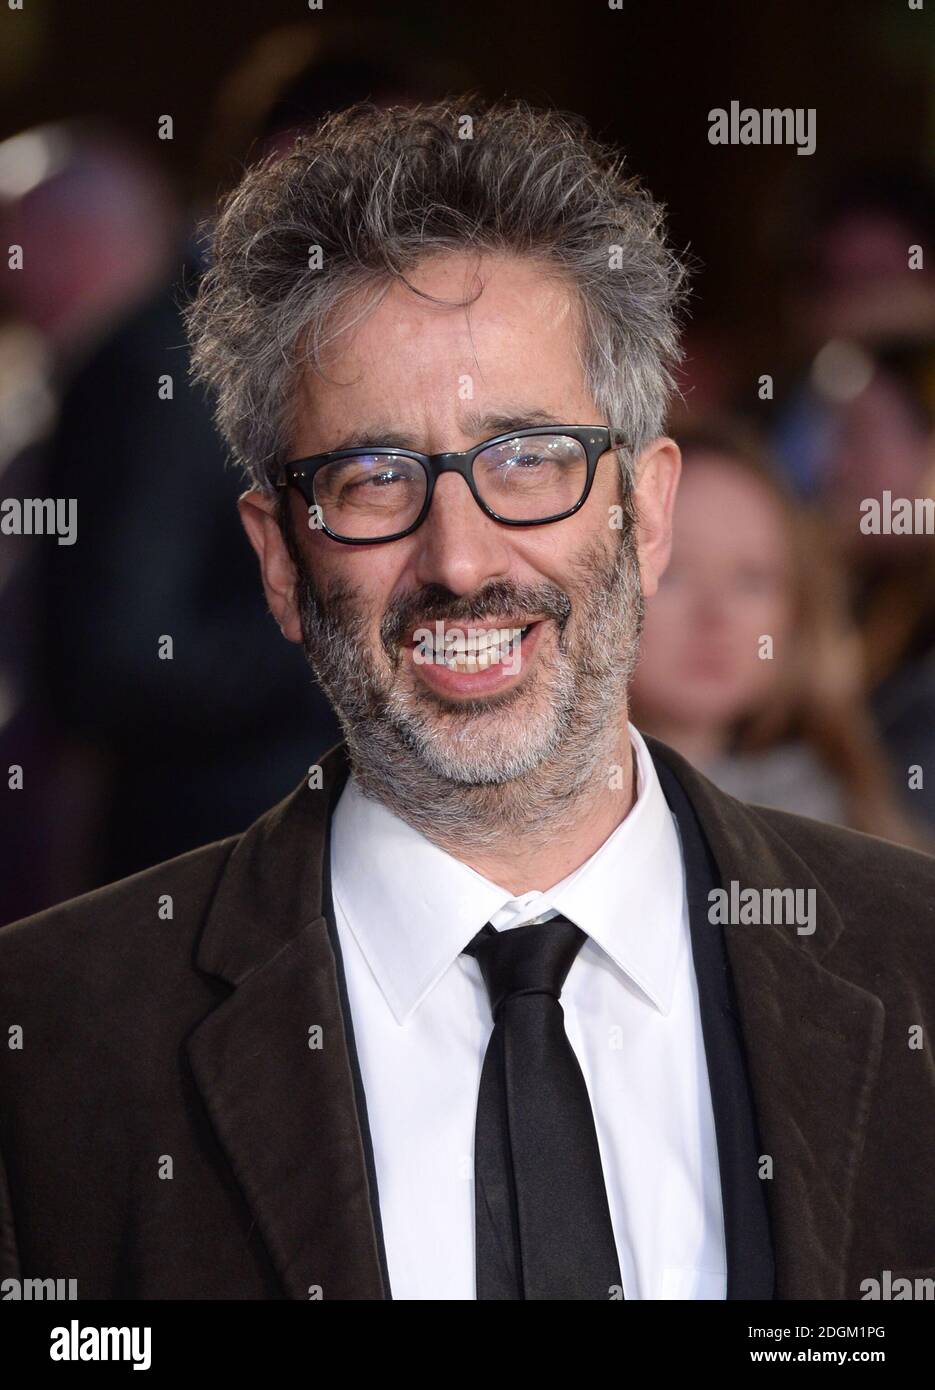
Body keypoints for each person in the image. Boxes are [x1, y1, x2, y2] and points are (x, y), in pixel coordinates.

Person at [1, 97, 933, 1302]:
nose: (461, 558)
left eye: (528, 457)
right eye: (374, 476)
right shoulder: (54, 1043)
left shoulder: (910, 967)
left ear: (646, 513)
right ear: (282, 560)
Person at [629, 418, 928, 847]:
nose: (717, 616)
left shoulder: (854, 829)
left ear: (797, 611)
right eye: (674, 573)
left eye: (752, 580)